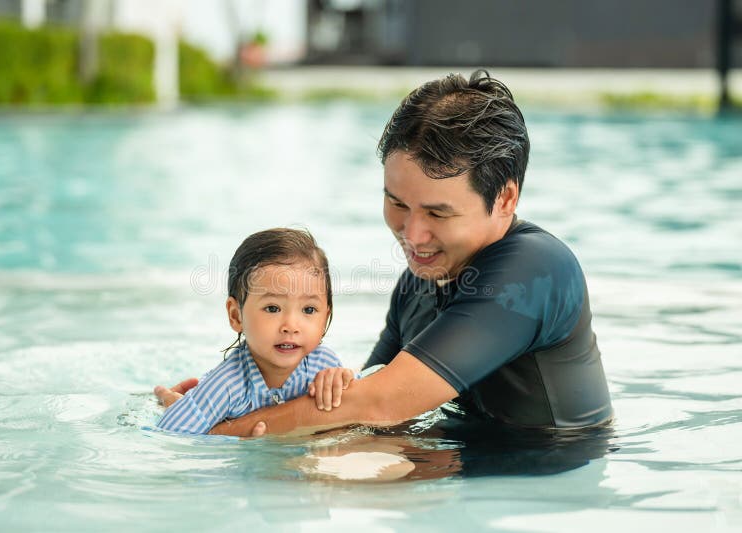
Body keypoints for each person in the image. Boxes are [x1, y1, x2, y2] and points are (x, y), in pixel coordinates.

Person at [156, 70, 613, 438]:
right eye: (397, 203)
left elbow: (380, 402)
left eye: (437, 212)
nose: (411, 234)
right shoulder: (421, 278)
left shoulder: (535, 270)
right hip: (456, 461)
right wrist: (217, 401)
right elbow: (357, 394)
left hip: (544, 477)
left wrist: (211, 432)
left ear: (506, 199)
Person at [155, 228, 355, 434]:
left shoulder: (324, 367)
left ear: (325, 318)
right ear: (236, 316)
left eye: (309, 310)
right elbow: (170, 434)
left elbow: (360, 416)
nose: (291, 326)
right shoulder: (225, 385)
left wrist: (343, 383)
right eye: (272, 308)